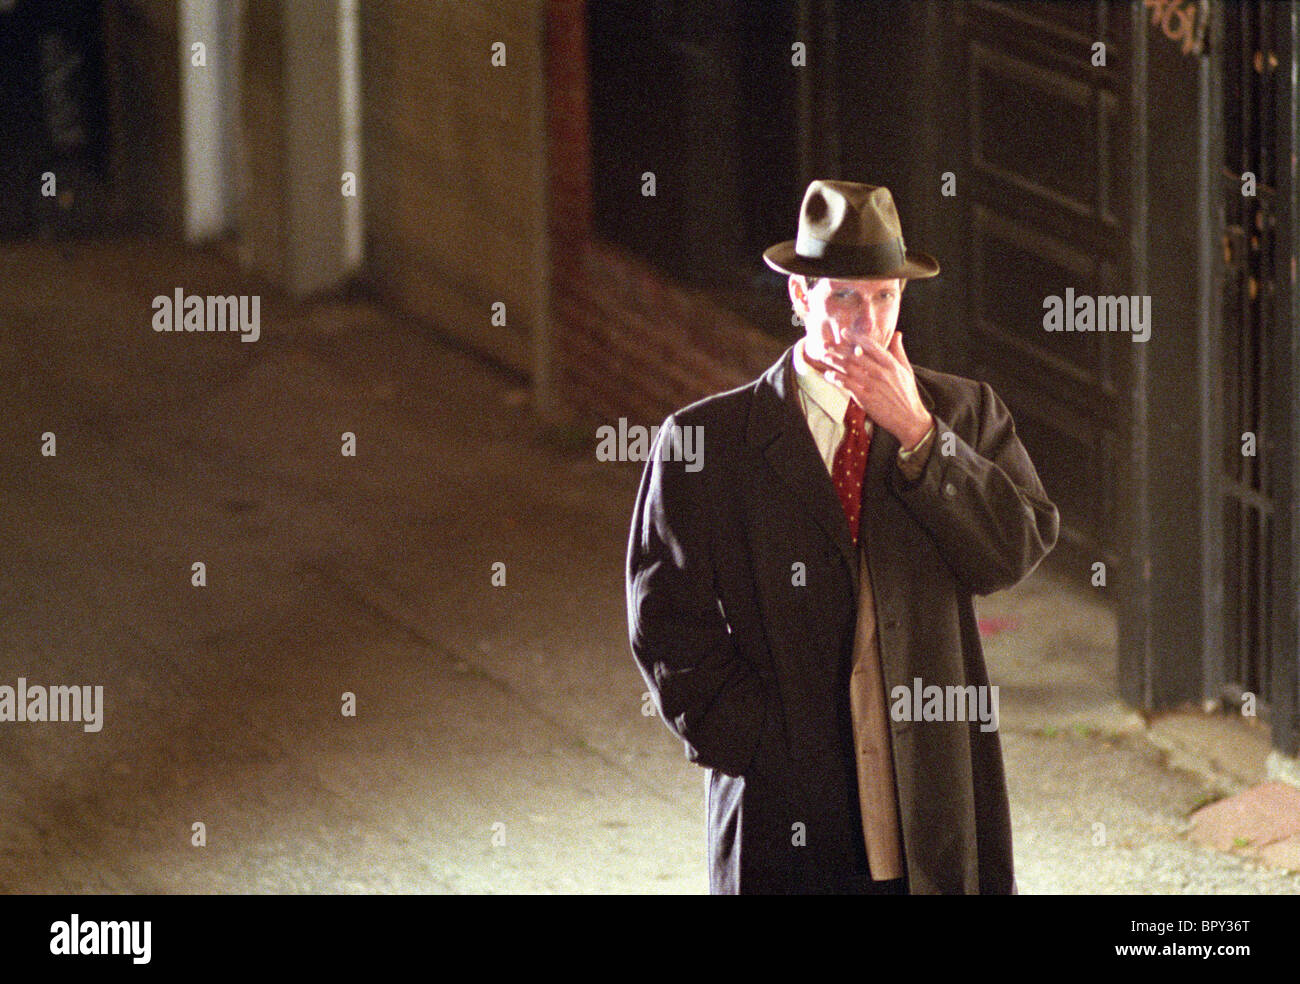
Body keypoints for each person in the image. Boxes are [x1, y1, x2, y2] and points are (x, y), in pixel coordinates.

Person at [625, 179, 1059, 894]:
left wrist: (921, 436)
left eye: (884, 296)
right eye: (843, 298)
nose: (866, 322)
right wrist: (754, 740)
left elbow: (1011, 550)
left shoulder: (962, 413)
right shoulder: (706, 442)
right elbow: (665, 620)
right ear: (799, 299)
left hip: (929, 793)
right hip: (784, 805)